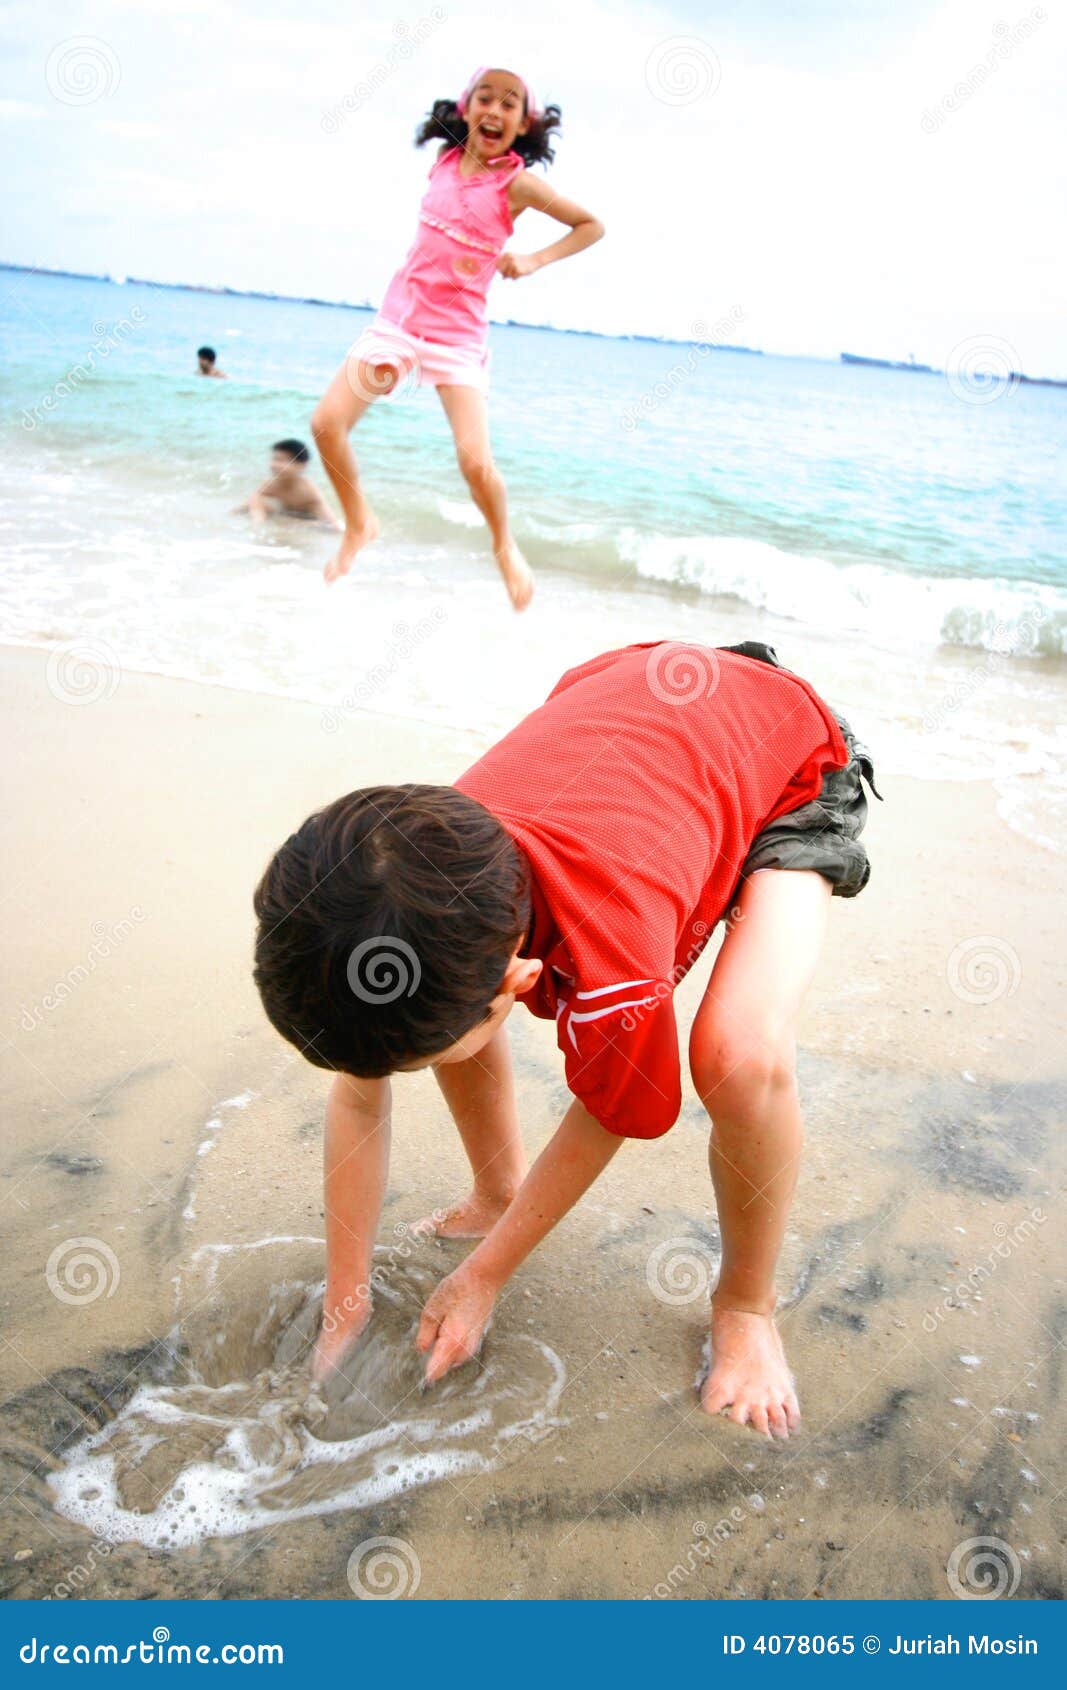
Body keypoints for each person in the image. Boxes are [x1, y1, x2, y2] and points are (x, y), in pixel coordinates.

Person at [253, 640, 881, 1440]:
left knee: (737, 1054)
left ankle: (746, 1306)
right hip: (647, 701)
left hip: (791, 763)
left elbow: (611, 1111)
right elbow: (361, 1089)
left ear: (517, 985)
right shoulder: (417, 878)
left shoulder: (611, 964)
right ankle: (494, 1192)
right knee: (449, 1000)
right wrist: (347, 1301)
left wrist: (485, 1277)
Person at [310, 66, 604, 610]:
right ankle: (358, 523)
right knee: (326, 425)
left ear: (524, 124)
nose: (494, 110)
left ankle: (503, 544)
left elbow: (590, 225)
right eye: (484, 98)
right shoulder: (443, 161)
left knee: (475, 465)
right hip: (398, 323)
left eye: (509, 104)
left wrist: (535, 259)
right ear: (465, 109)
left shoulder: (518, 185)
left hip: (458, 339)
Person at [234, 439, 341, 527]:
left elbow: (330, 521)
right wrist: (257, 517)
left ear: (301, 465)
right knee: (253, 503)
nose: (274, 465)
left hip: (306, 520)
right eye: (274, 459)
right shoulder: (273, 483)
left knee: (324, 526)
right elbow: (255, 497)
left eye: (281, 461)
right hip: (286, 514)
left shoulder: (308, 491)